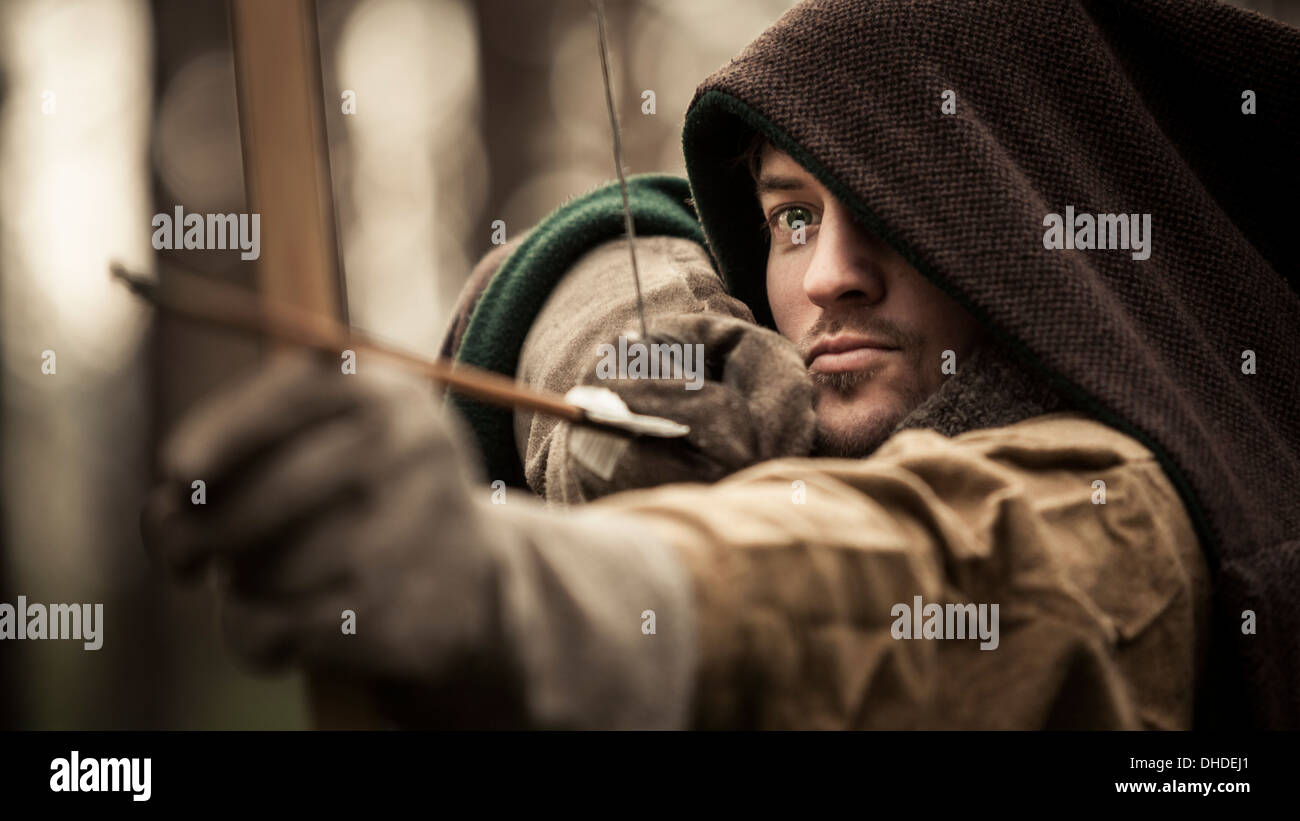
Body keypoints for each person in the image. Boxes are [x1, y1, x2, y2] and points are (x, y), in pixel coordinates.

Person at [143, 0, 1300, 729]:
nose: (829, 276)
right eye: (793, 218)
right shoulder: (794, 417)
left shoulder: (1128, 506)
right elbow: (619, 223)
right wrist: (618, 365)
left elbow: (933, 578)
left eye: (904, 213)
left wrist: (512, 591)